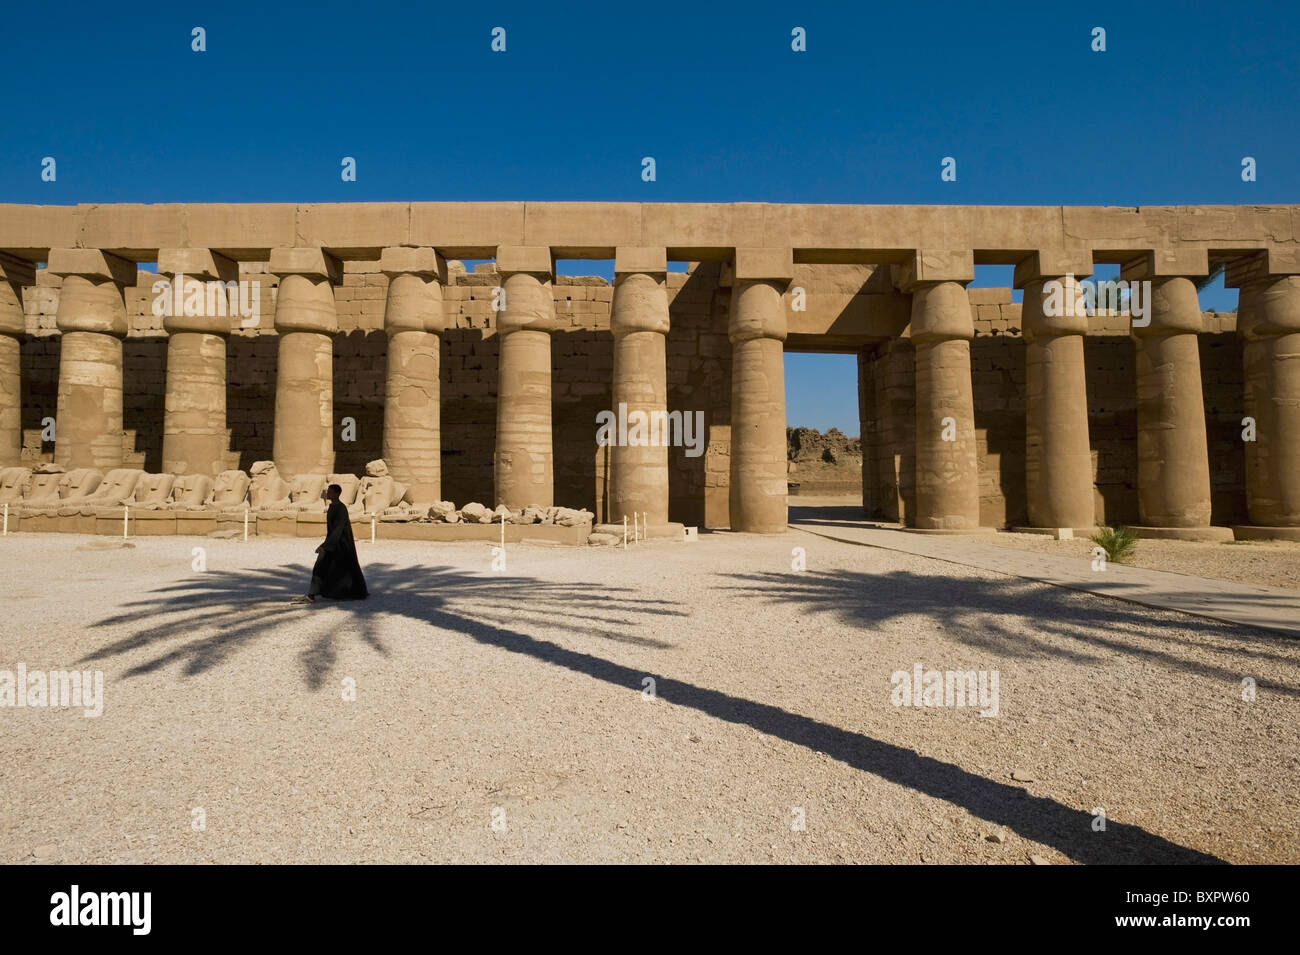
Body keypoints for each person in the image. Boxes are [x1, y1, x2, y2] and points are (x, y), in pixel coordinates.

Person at [299, 484, 368, 602]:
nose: (328, 494)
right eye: (328, 492)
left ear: (337, 493)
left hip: (341, 545)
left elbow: (338, 529)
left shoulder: (341, 508)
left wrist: (325, 546)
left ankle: (313, 595)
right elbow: (332, 530)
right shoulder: (332, 507)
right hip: (333, 543)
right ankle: (312, 594)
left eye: (330, 492)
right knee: (323, 567)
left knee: (324, 566)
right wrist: (325, 543)